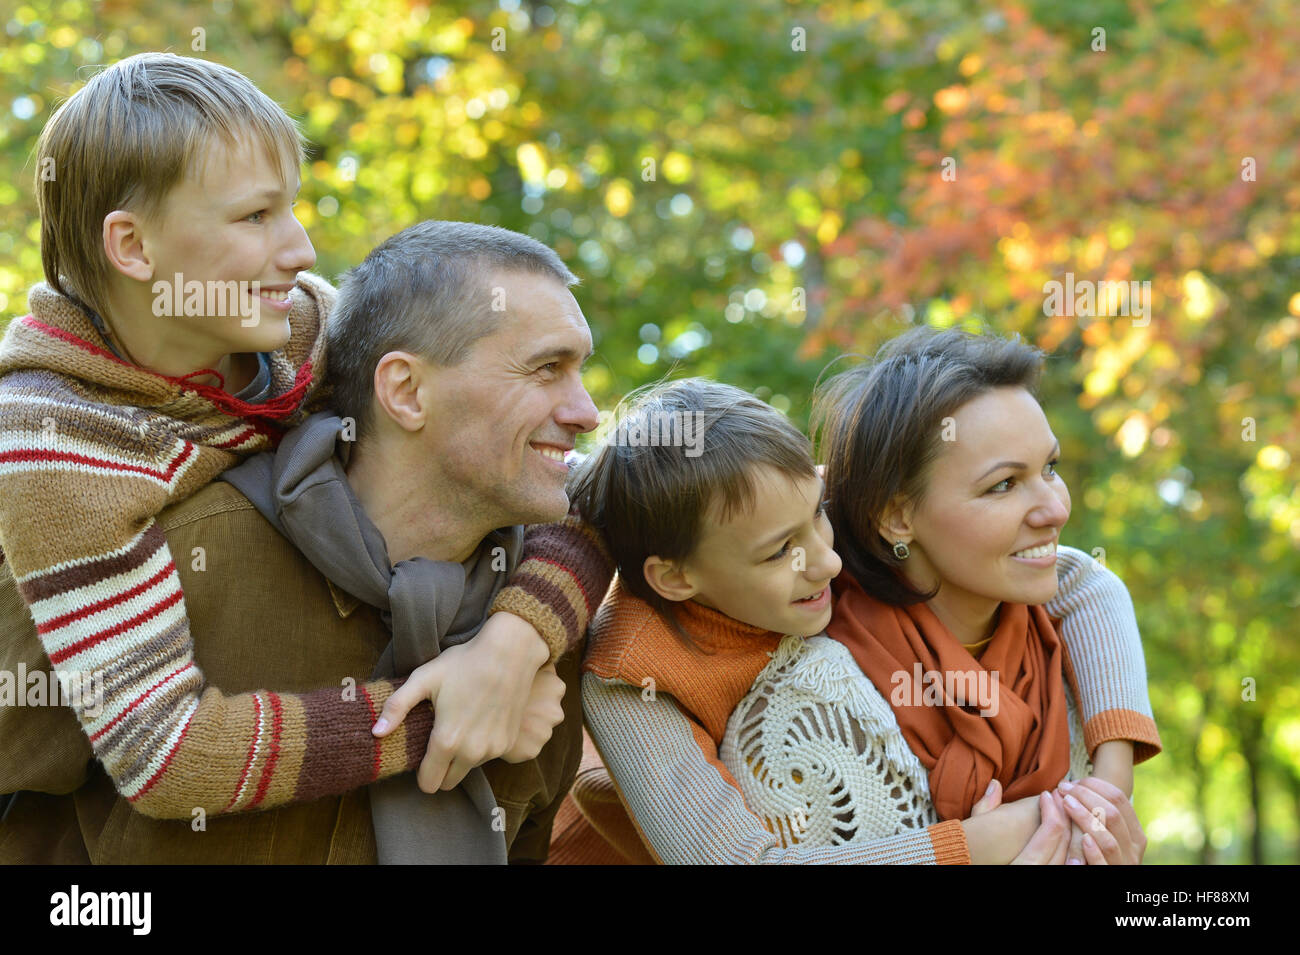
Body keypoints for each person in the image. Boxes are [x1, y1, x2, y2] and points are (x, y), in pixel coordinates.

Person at [0, 53, 589, 830]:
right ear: (135, 248)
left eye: (293, 210)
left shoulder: (300, 329)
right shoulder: (52, 441)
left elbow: (583, 485)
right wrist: (434, 716)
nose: (303, 248)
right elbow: (167, 756)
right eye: (256, 217)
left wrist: (509, 649)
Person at [540, 372, 1158, 863]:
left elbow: (1081, 577)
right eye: (782, 551)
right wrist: (973, 847)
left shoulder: (788, 514)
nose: (831, 561)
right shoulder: (629, 674)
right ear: (676, 577)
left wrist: (1112, 773)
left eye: (820, 513)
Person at [720, 327, 1157, 862]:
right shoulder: (804, 715)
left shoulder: (1076, 662)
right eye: (1004, 484)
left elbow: (1089, 581)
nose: (1056, 510)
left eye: (1050, 468)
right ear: (897, 516)